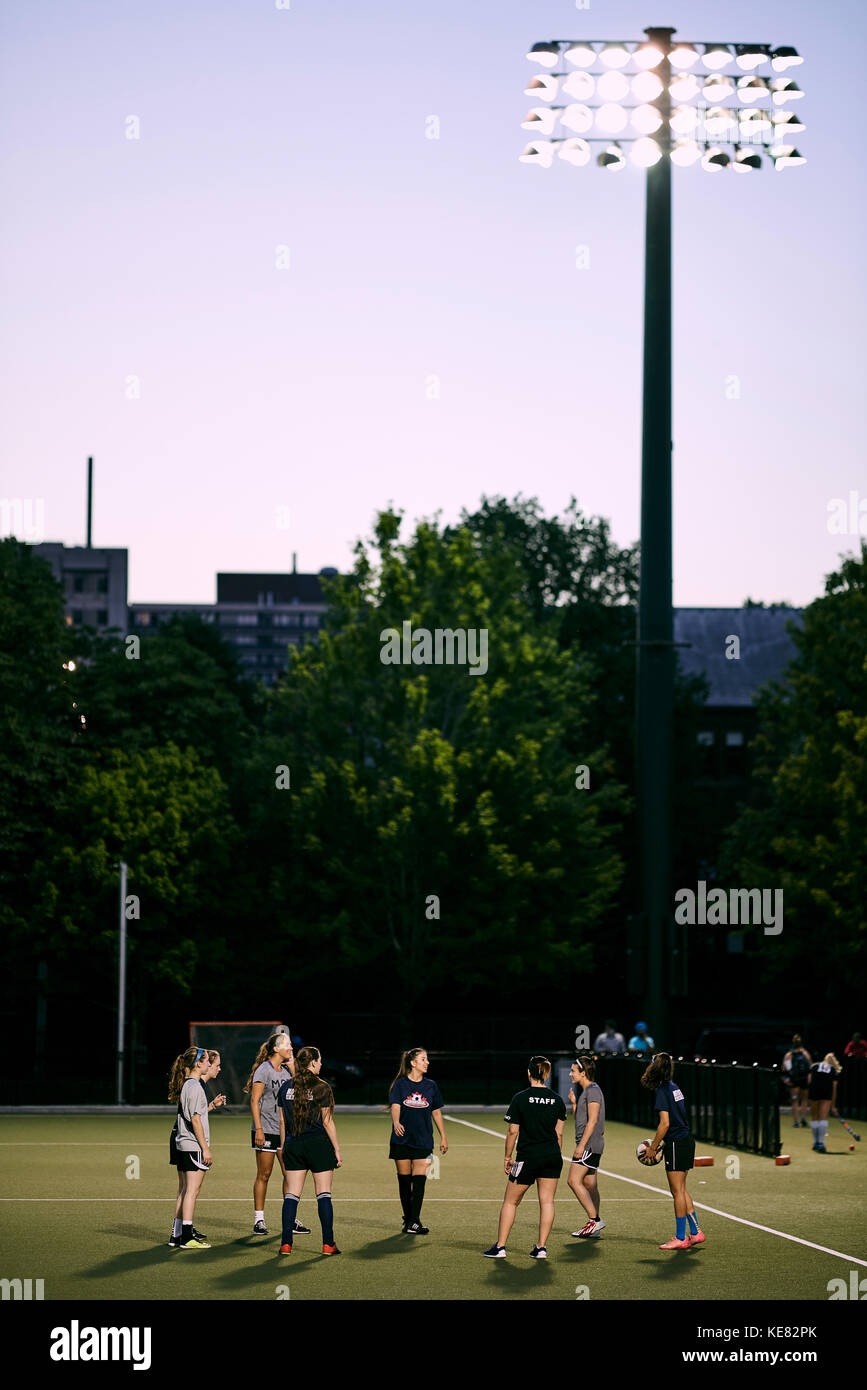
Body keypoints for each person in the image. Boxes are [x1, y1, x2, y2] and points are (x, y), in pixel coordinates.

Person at [483, 1055, 566, 1260]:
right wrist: (553, 1154)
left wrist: (507, 1157)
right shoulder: (557, 1099)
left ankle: (500, 1247)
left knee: (510, 1202)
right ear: (546, 1074)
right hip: (552, 1156)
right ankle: (541, 1248)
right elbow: (559, 1134)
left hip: (528, 1156)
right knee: (547, 1202)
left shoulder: (520, 1097)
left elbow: (513, 1131)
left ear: (529, 1073)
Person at [243, 1032, 309, 1238]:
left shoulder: (287, 1070)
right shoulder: (264, 1070)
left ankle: (291, 1218)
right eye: (287, 1045)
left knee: (290, 1173)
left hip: (284, 1130)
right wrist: (259, 1129)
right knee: (264, 1174)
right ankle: (259, 1220)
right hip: (266, 1129)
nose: (291, 1048)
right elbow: (254, 1101)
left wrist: (293, 1068)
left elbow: (301, 1091)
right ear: (276, 1049)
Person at [277, 1046, 342, 1255]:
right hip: (318, 1145)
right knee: (323, 1194)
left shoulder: (285, 1087)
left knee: (291, 1195)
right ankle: (328, 1244)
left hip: (293, 1145)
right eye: (320, 1060)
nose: (321, 1064)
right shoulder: (322, 1087)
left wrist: (283, 1147)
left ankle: (286, 1244)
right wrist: (337, 1150)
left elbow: (281, 1122)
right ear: (312, 1062)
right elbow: (327, 1122)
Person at [640, 1052, 705, 1251]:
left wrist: (653, 1148)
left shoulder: (662, 1090)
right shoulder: (674, 1086)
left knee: (677, 1192)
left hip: (676, 1142)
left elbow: (665, 1124)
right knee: (682, 1189)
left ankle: (680, 1237)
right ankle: (695, 1233)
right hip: (686, 1140)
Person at [388, 1047, 447, 1235]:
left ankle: (414, 1220)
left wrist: (443, 1136)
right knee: (404, 1182)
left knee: (419, 1181)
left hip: (423, 1140)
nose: (427, 1062)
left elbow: (436, 1111)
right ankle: (410, 1219)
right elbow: (396, 1105)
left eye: (427, 1059)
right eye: (423, 1059)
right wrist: (396, 1122)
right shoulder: (400, 1084)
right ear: (413, 1063)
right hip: (401, 1139)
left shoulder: (431, 1085)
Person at [167, 1046, 214, 1250]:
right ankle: (186, 1237)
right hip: (193, 1144)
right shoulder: (194, 1086)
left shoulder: (188, 1085)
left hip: (185, 1144)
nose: (209, 1064)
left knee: (187, 1190)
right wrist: (205, 1148)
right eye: (206, 1061)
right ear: (198, 1064)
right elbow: (195, 1120)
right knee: (192, 1191)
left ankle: (177, 1235)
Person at [567, 1054, 606, 1238]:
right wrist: (575, 1104)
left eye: (573, 1071)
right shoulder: (587, 1091)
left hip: (589, 1145)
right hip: (591, 1144)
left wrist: (581, 1146)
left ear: (583, 1073)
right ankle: (594, 1227)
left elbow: (592, 1121)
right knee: (590, 1184)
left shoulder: (593, 1091)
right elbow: (581, 1121)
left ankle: (595, 1221)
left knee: (573, 1181)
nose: (570, 1074)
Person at [808, 1053, 841, 1153]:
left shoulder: (814, 1066)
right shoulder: (833, 1070)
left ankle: (815, 1143)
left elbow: (809, 1081)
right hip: (826, 1092)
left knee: (814, 1117)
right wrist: (833, 1105)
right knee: (823, 1117)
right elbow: (834, 1088)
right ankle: (821, 1143)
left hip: (814, 1090)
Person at [782, 1035, 812, 1128]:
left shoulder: (788, 1055)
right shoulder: (805, 1053)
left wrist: (787, 1079)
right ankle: (803, 1118)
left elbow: (784, 1068)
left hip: (794, 1080)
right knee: (804, 1100)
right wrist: (809, 1078)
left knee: (795, 1100)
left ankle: (796, 1121)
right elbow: (810, 1067)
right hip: (804, 1079)